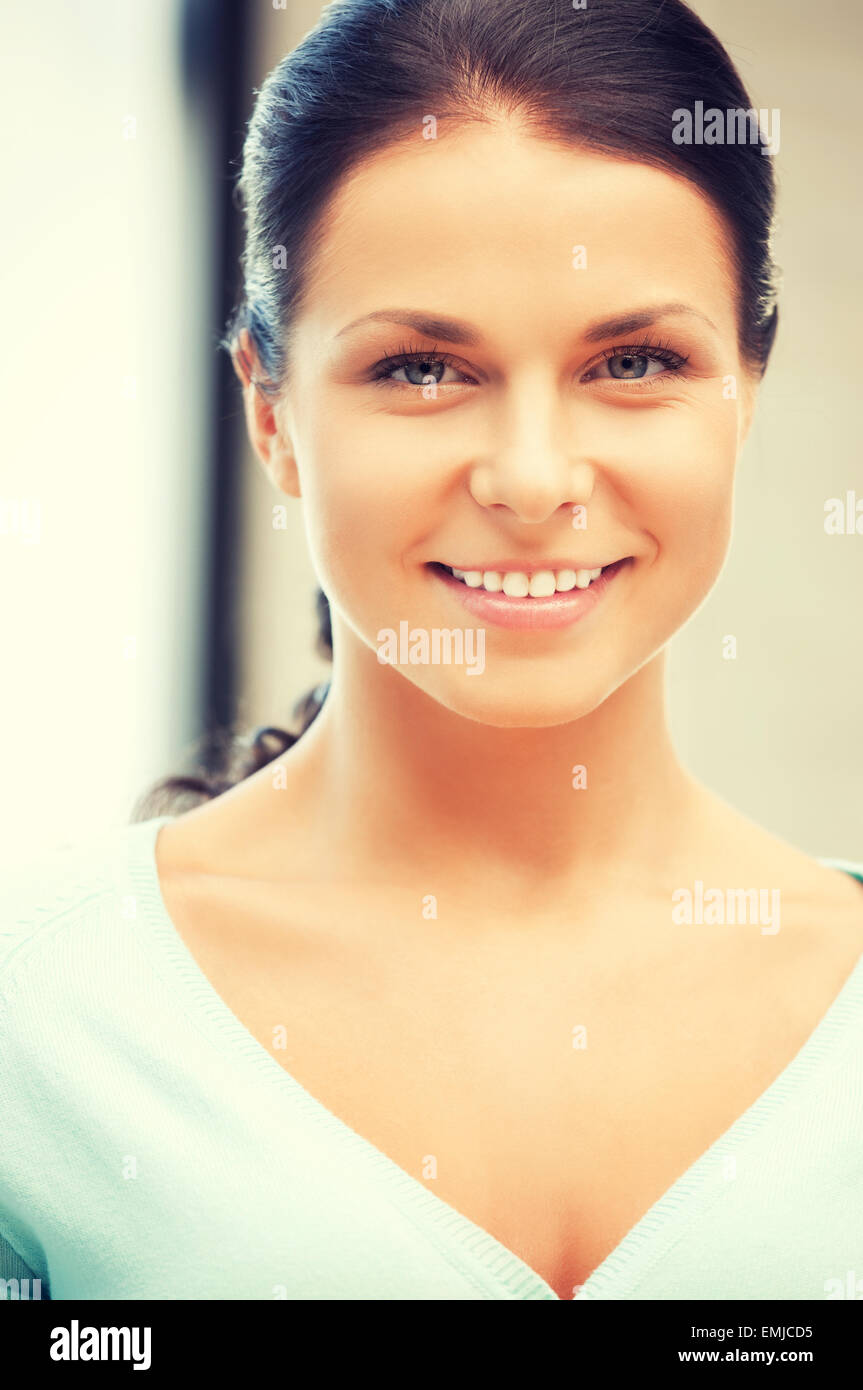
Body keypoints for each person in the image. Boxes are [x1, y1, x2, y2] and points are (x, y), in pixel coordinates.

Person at [2, 0, 861, 1303]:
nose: (530, 478)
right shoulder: (38, 1022)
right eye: (419, 369)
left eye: (633, 359)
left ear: (746, 391)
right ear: (269, 409)